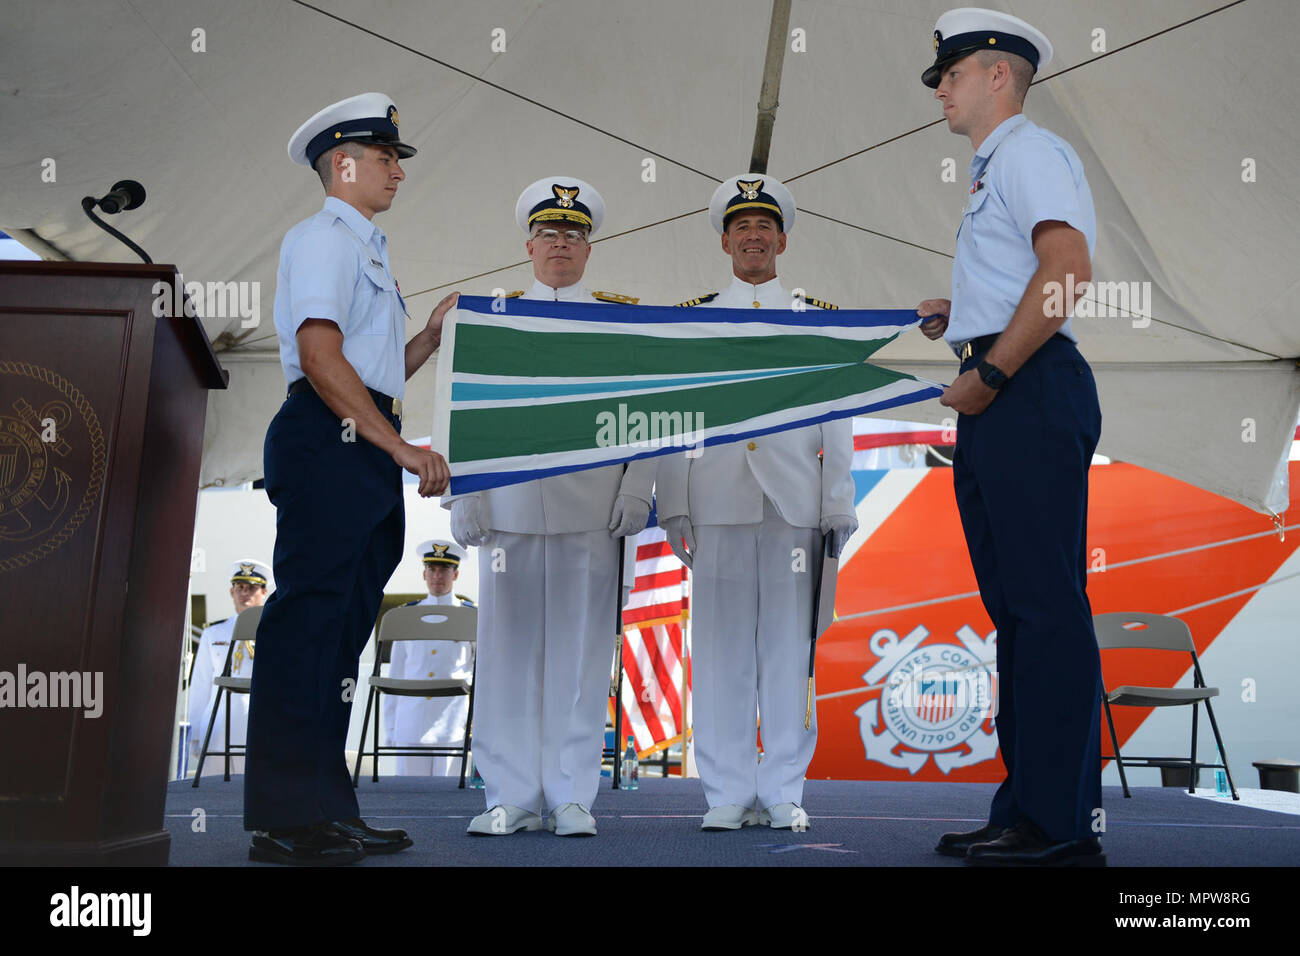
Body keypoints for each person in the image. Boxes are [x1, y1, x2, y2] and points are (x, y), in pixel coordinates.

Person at [244, 92, 456, 866]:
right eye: (385, 157)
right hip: (328, 441)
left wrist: (428, 339)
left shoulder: (368, 245)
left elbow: (368, 372)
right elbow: (322, 357)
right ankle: (281, 818)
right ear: (343, 163)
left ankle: (326, 808)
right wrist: (400, 447)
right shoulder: (324, 237)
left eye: (396, 159)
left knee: (340, 638)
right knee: (307, 630)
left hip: (356, 443)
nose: (397, 170)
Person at [916, 9, 1105, 866]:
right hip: (1006, 390)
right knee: (1019, 616)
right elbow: (1030, 280)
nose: (942, 91)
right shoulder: (998, 167)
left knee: (1046, 611)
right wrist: (970, 321)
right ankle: (1027, 810)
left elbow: (1068, 274)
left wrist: (989, 373)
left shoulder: (1027, 153)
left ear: (997, 73)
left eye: (951, 75)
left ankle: (1062, 826)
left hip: (1023, 391)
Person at [444, 177, 655, 837]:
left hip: (591, 511)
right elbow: (461, 409)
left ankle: (569, 795)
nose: (560, 245)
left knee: (580, 658)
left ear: (589, 248)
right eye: (549, 234)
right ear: (528, 245)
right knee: (505, 655)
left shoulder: (622, 320)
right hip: (506, 511)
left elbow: (647, 413)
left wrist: (634, 488)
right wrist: (465, 490)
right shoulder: (489, 317)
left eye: (573, 234)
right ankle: (507, 795)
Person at [656, 175, 858, 831]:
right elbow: (673, 416)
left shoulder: (817, 319)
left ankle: (783, 789)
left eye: (763, 226)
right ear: (724, 241)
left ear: (782, 239)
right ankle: (725, 791)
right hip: (716, 500)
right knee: (719, 654)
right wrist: (675, 501)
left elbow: (837, 417)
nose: (753, 236)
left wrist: (837, 505)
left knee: (787, 651)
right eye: (741, 227)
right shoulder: (689, 320)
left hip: (794, 505)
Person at [384, 539, 476, 776]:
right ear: (424, 573)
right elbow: (396, 675)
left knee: (448, 800)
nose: (438, 576)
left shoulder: (470, 617)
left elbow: (481, 674)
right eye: (432, 570)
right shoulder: (407, 616)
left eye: (444, 570)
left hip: (452, 723)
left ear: (455, 575)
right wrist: (392, 728)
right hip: (411, 722)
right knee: (407, 796)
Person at [188, 560, 270, 774]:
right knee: (213, 795)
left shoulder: (275, 635)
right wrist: (195, 734)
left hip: (258, 725)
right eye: (240, 588)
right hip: (217, 726)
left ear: (264, 592)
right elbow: (201, 685)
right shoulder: (213, 633)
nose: (245, 594)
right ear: (231, 592)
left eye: (252, 588)